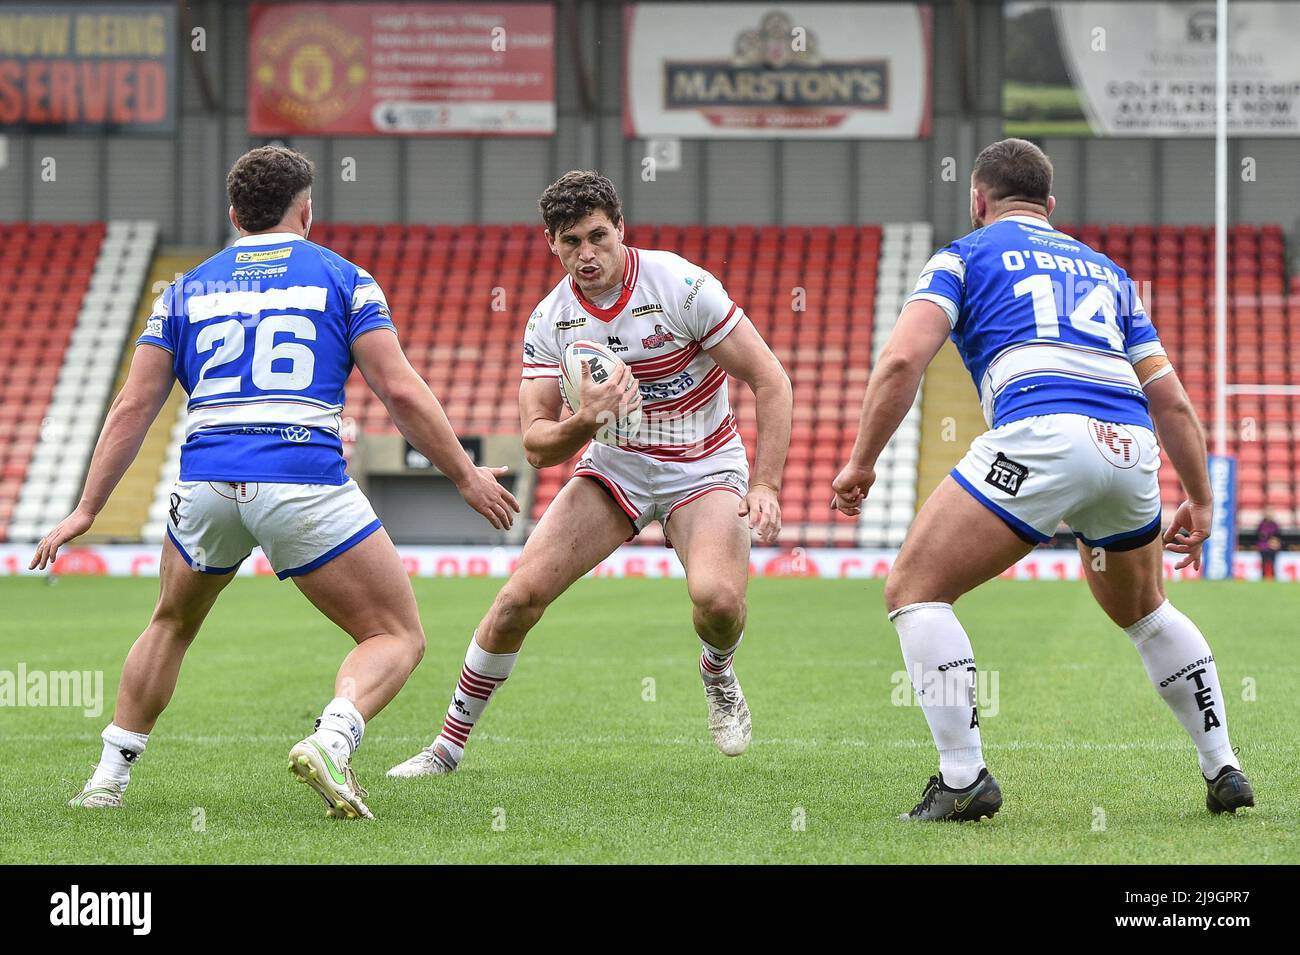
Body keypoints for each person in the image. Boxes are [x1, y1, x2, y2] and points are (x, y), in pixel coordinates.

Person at [30, 145, 518, 820]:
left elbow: (132, 407)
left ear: (234, 215)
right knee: (396, 634)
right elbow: (399, 390)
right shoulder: (344, 278)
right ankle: (333, 739)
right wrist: (463, 474)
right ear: (307, 212)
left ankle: (107, 779)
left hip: (206, 480)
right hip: (298, 475)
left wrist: (86, 508)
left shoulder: (185, 288)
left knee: (170, 622)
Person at [832, 138, 1254, 821]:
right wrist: (1202, 499)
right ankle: (1223, 765)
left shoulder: (965, 256)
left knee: (915, 588)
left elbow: (901, 361)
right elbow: (1171, 399)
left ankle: (963, 775)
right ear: (1049, 207)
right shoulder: (1109, 273)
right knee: (1146, 609)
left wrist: (861, 460)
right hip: (1128, 446)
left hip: (1043, 434)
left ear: (978, 200)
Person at [388, 170, 791, 777]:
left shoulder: (681, 286)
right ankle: (446, 749)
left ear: (620, 229)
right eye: (570, 241)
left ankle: (718, 672)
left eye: (598, 236)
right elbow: (536, 445)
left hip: (702, 464)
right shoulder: (551, 321)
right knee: (517, 599)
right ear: (552, 244)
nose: (587, 254)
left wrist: (764, 484)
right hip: (616, 468)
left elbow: (771, 380)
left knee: (718, 601)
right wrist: (587, 419)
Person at [1256, 514, 1281, 580]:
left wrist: (1274, 541)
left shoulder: (1274, 524)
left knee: (1273, 563)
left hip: (1273, 546)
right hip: (1263, 547)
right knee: (1263, 563)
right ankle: (1263, 577)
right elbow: (1258, 534)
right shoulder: (1262, 524)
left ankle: (1273, 577)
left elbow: (1278, 534)